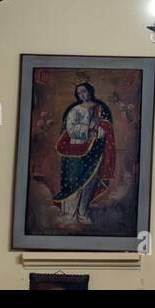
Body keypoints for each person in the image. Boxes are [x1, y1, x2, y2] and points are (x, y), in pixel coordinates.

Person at [53, 82, 115, 223]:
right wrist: (88, 129)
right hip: (75, 152)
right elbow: (70, 130)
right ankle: (69, 215)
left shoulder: (101, 109)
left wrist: (98, 132)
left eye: (84, 91)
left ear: (90, 91)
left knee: (90, 183)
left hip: (95, 151)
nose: (82, 95)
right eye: (79, 93)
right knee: (74, 182)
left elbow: (106, 129)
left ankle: (82, 213)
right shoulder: (75, 110)